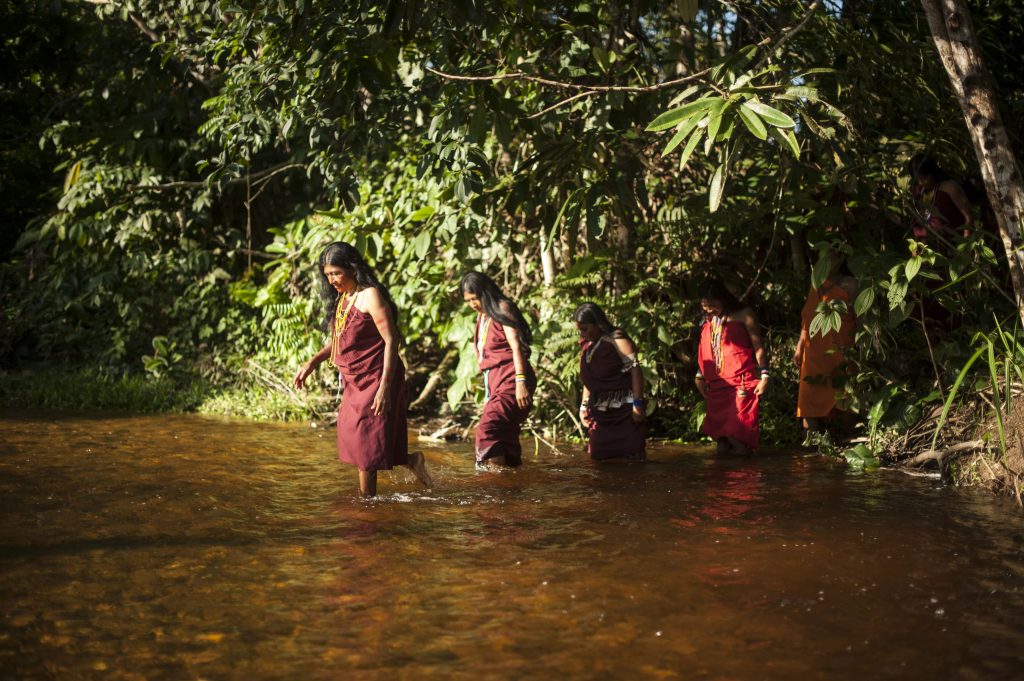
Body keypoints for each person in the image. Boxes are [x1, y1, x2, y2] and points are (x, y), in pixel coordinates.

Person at [293, 241, 431, 497]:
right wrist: (311, 363)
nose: (332, 280)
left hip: (378, 377)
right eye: (327, 275)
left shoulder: (370, 295)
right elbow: (337, 341)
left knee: (367, 446)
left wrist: (384, 388)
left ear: (353, 269)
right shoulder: (343, 297)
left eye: (336, 273)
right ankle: (412, 461)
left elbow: (392, 339)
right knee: (361, 442)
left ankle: (368, 505)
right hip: (354, 380)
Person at [460, 272, 536, 467]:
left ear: (485, 292)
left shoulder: (503, 307)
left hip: (513, 377)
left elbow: (516, 347)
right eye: (468, 301)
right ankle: (509, 485)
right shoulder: (482, 315)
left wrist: (521, 382)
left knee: (487, 429)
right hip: (496, 379)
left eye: (474, 298)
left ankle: (494, 482)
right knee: (505, 433)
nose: (472, 304)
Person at [694, 280, 768, 455]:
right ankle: (721, 482)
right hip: (716, 386)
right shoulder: (708, 320)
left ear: (724, 299)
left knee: (739, 439)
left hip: (740, 383)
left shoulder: (744, 314)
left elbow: (758, 347)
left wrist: (765, 375)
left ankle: (747, 480)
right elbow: (707, 350)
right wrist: (699, 376)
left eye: (712, 305)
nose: (709, 310)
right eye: (705, 306)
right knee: (722, 444)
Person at [794, 250, 857, 444]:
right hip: (813, 350)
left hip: (840, 346)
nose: (831, 260)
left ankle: (850, 436)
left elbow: (859, 316)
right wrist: (799, 346)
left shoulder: (851, 283)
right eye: (827, 256)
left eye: (836, 255)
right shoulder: (817, 282)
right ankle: (812, 444)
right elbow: (808, 317)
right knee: (808, 397)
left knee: (844, 394)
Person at [573, 302, 646, 461]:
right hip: (599, 416)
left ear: (598, 323)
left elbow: (635, 370)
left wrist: (637, 405)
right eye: (579, 330)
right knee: (599, 461)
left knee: (631, 460)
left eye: (585, 329)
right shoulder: (588, 345)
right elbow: (589, 381)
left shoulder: (617, 339)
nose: (582, 334)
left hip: (624, 413)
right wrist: (583, 406)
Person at [907, 154, 974, 240]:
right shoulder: (919, 192)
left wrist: (965, 244)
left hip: (954, 244)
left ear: (932, 172)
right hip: (932, 248)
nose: (921, 182)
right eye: (917, 179)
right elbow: (918, 223)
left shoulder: (949, 187)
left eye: (924, 177)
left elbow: (968, 217)